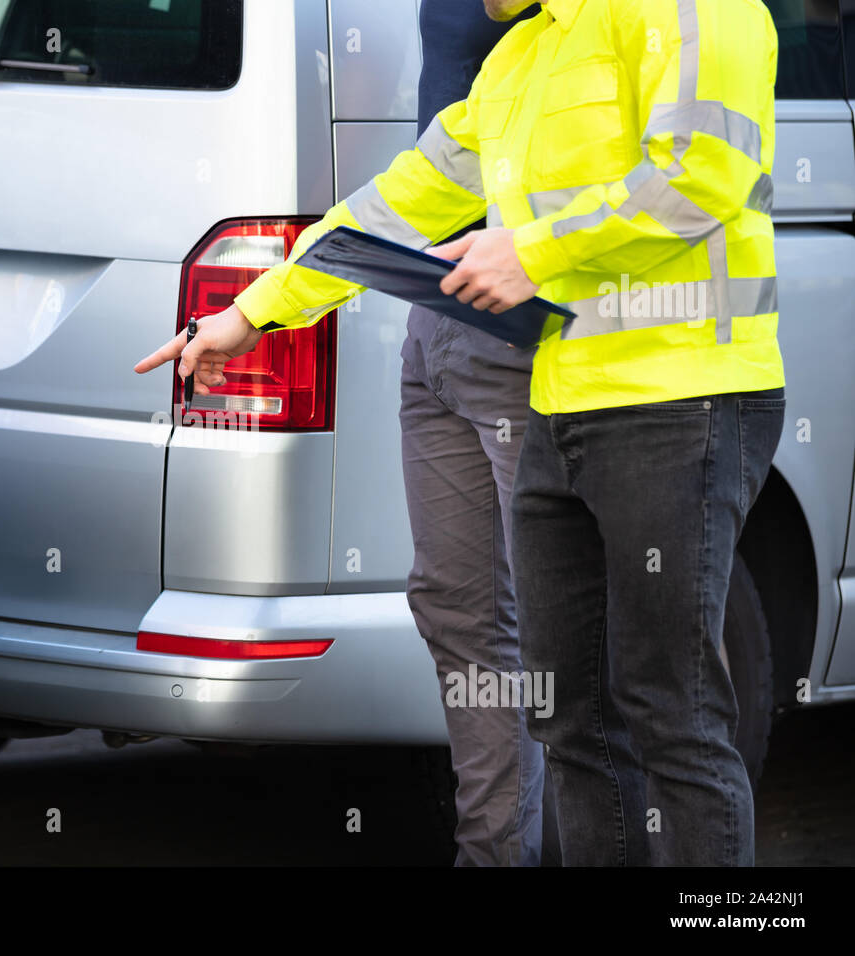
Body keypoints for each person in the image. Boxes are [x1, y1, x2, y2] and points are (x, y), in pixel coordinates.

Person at [136, 0, 784, 866]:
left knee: (673, 712)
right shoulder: (519, 57)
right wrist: (251, 312)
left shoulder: (696, 7)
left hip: (685, 403)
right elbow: (399, 201)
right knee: (571, 717)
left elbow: (701, 175)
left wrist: (533, 252)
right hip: (563, 406)